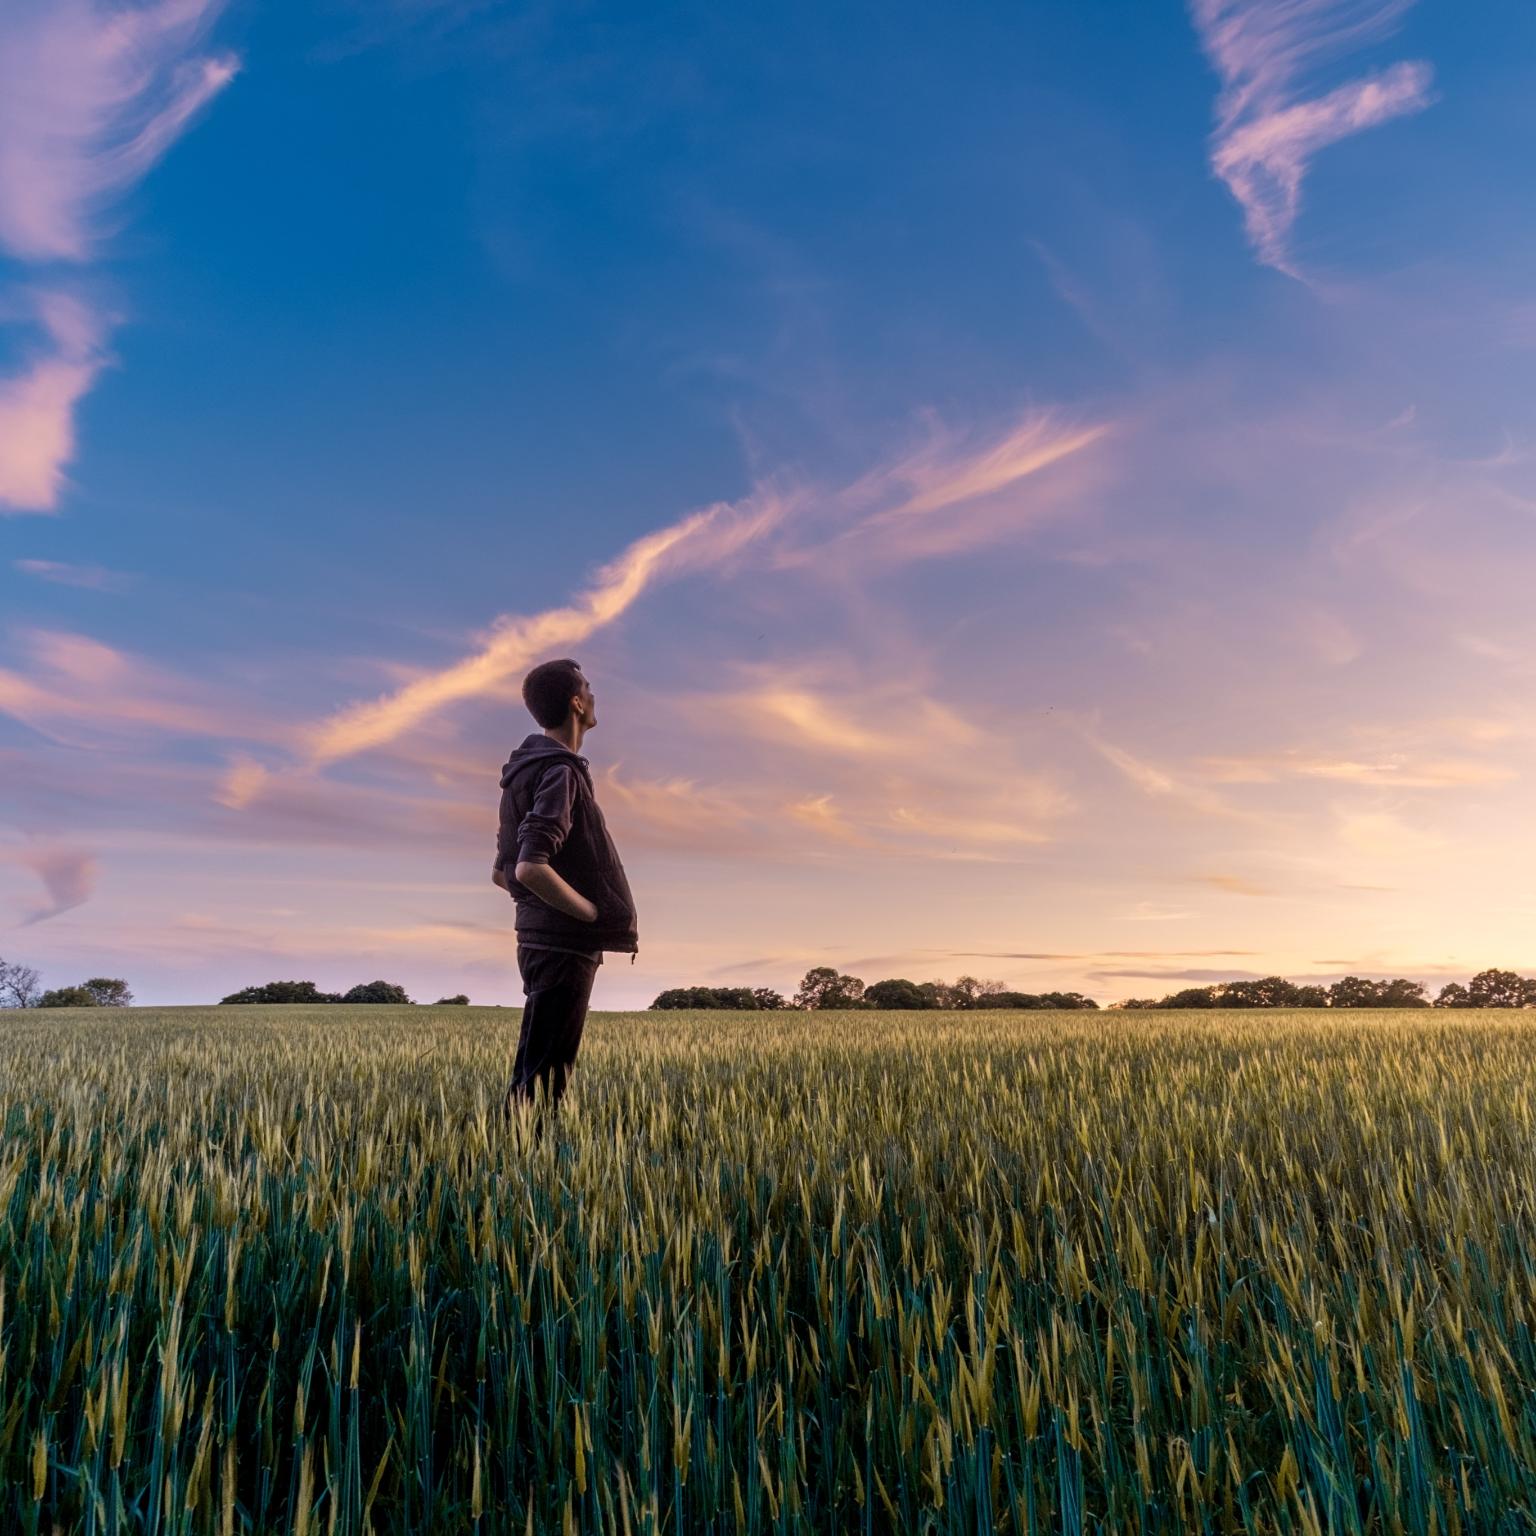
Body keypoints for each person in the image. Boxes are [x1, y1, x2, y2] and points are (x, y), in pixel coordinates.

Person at [493, 658, 638, 1132]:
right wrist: (590, 913)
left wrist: (538, 906)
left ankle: (514, 1163)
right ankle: (520, 1174)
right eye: (589, 689)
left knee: (537, 1070)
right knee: (545, 1080)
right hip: (561, 944)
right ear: (576, 702)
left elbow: (502, 873)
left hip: (537, 940)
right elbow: (529, 866)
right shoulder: (559, 772)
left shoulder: (523, 773)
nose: (595, 696)